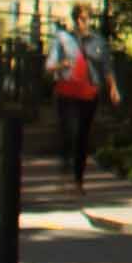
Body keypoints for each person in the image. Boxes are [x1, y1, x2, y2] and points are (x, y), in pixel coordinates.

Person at [47, 22, 105, 195]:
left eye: (85, 18)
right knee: (68, 134)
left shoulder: (96, 41)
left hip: (88, 94)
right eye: (79, 18)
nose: (82, 22)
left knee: (82, 136)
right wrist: (62, 65)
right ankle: (65, 175)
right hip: (66, 92)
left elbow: (105, 65)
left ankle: (78, 180)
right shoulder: (63, 40)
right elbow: (49, 66)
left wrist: (112, 85)